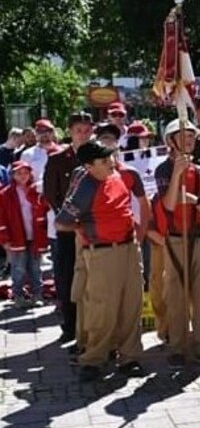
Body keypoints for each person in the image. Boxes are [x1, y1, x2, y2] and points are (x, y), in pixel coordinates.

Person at [55, 141, 145, 382]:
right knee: (102, 308)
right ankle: (94, 359)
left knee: (131, 304)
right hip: (103, 253)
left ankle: (130, 357)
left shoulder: (115, 176)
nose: (111, 163)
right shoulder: (85, 187)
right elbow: (62, 221)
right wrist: (83, 230)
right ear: (88, 166)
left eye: (110, 158)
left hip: (128, 247)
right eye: (104, 161)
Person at [155, 118, 200, 369]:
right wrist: (177, 174)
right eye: (183, 136)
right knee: (176, 293)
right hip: (174, 238)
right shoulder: (162, 170)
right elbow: (169, 205)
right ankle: (178, 346)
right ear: (171, 141)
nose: (189, 141)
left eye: (192, 137)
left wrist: (193, 201)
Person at [43, 111, 95, 343]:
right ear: (70, 133)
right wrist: (69, 220)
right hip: (67, 230)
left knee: (94, 278)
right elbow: (51, 194)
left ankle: (92, 324)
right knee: (67, 278)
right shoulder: (58, 159)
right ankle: (70, 326)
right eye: (78, 131)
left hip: (94, 228)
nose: (82, 135)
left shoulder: (99, 158)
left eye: (86, 130)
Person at [0, 161, 49, 307]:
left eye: (26, 173)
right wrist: (4, 238)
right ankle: (18, 296)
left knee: (35, 267)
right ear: (13, 175)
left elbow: (43, 211)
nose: (23, 176)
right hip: (16, 237)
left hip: (34, 235)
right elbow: (1, 217)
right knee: (18, 268)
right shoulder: (5, 194)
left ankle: (37, 294)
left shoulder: (37, 191)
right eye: (18, 173)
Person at [20, 118, 61, 184]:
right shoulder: (27, 154)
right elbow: (22, 178)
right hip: (35, 192)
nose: (44, 134)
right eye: (40, 132)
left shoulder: (61, 152)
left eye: (48, 131)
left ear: (53, 133)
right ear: (36, 134)